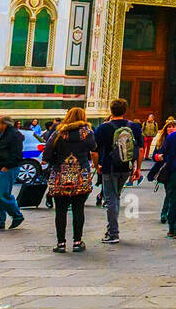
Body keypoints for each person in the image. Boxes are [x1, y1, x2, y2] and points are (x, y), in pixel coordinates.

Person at [44, 107, 97, 253]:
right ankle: (77, 242)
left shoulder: (58, 133)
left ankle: (61, 243)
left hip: (60, 175)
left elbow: (47, 153)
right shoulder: (88, 134)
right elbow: (93, 148)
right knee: (78, 209)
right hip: (80, 175)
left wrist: (57, 160)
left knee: (60, 210)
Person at [95, 99, 143, 243]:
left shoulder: (104, 128)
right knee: (115, 196)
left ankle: (113, 233)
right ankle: (112, 230)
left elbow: (94, 150)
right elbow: (140, 149)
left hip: (109, 167)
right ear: (125, 110)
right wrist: (138, 168)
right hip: (126, 167)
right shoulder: (133, 126)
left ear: (111, 110)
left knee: (111, 199)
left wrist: (97, 165)